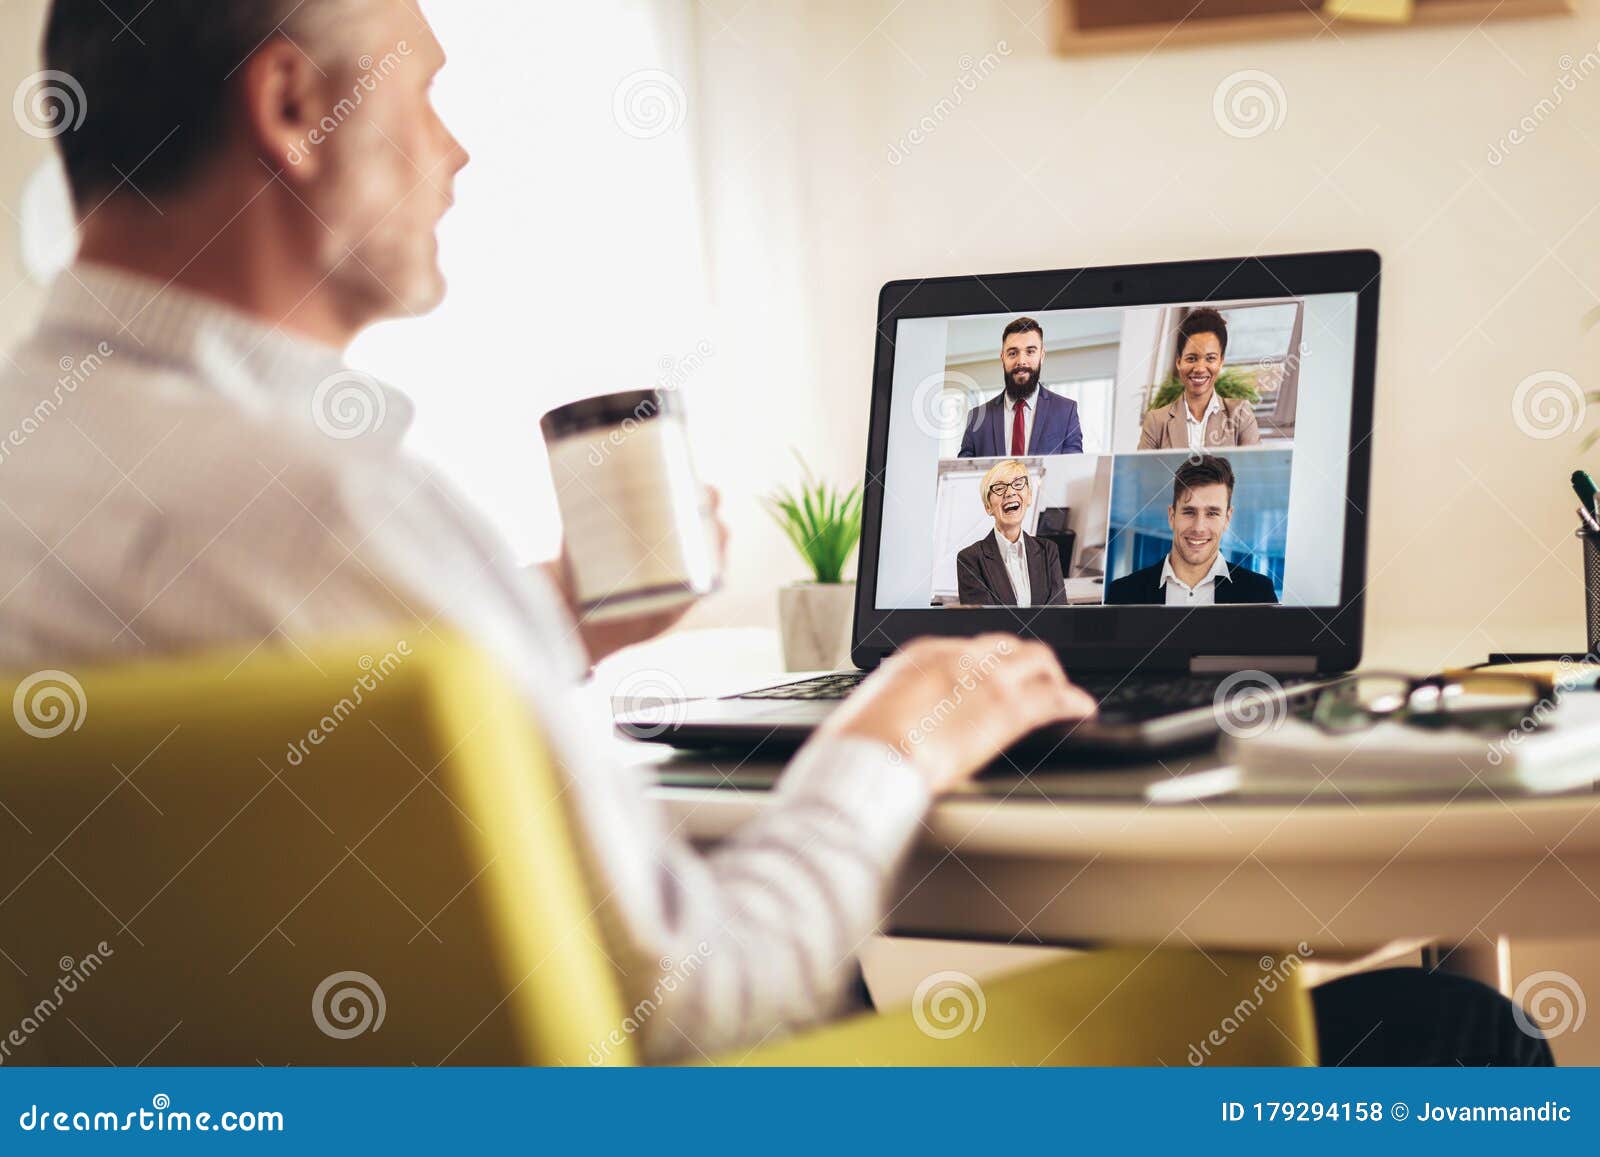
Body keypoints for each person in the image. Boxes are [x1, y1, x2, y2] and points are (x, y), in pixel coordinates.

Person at [0, 0, 1549, 1069]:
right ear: (290, 108)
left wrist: (534, 622)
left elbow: (292, 728)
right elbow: (700, 1003)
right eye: (424, 85)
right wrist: (880, 738)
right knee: (1440, 1032)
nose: (455, 152)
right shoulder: (340, 502)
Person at [1105, 456, 1278, 606]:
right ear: (1172, 516)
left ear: (1227, 518)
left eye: (1212, 513)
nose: (1198, 528)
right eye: (1189, 512)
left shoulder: (1259, 593)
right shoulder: (1122, 593)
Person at [1138, 307, 1261, 451]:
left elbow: (1254, 471)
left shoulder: (1240, 415)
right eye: (1191, 358)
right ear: (1179, 362)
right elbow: (1142, 473)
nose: (1200, 368)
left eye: (1210, 358)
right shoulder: (1156, 422)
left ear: (1221, 361)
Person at [957, 317, 1083, 457]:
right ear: (1002, 358)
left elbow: (1072, 470)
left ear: (1041, 356)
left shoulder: (1066, 411)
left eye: (1030, 352)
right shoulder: (976, 418)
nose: (1021, 361)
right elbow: (962, 475)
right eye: (1012, 353)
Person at [955, 460, 1065, 607]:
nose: (1010, 492)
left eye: (1018, 484)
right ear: (988, 507)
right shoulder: (970, 559)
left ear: (1029, 496)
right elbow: (982, 623)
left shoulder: (1048, 550)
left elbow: (1059, 615)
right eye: (999, 488)